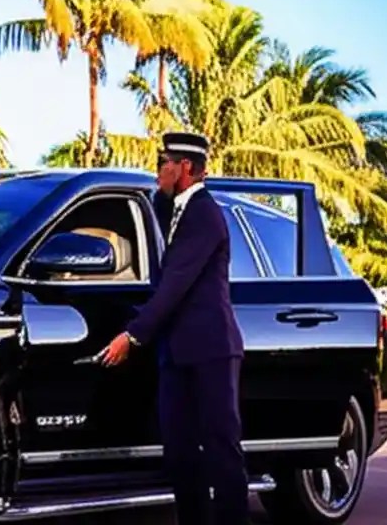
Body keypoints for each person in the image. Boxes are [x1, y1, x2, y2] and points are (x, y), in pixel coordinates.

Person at [96, 131, 248, 525]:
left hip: (211, 350)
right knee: (179, 454)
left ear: (184, 167)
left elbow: (174, 284)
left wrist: (132, 336)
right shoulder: (171, 208)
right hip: (176, 354)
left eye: (164, 163)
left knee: (221, 449)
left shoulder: (205, 214)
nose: (157, 170)